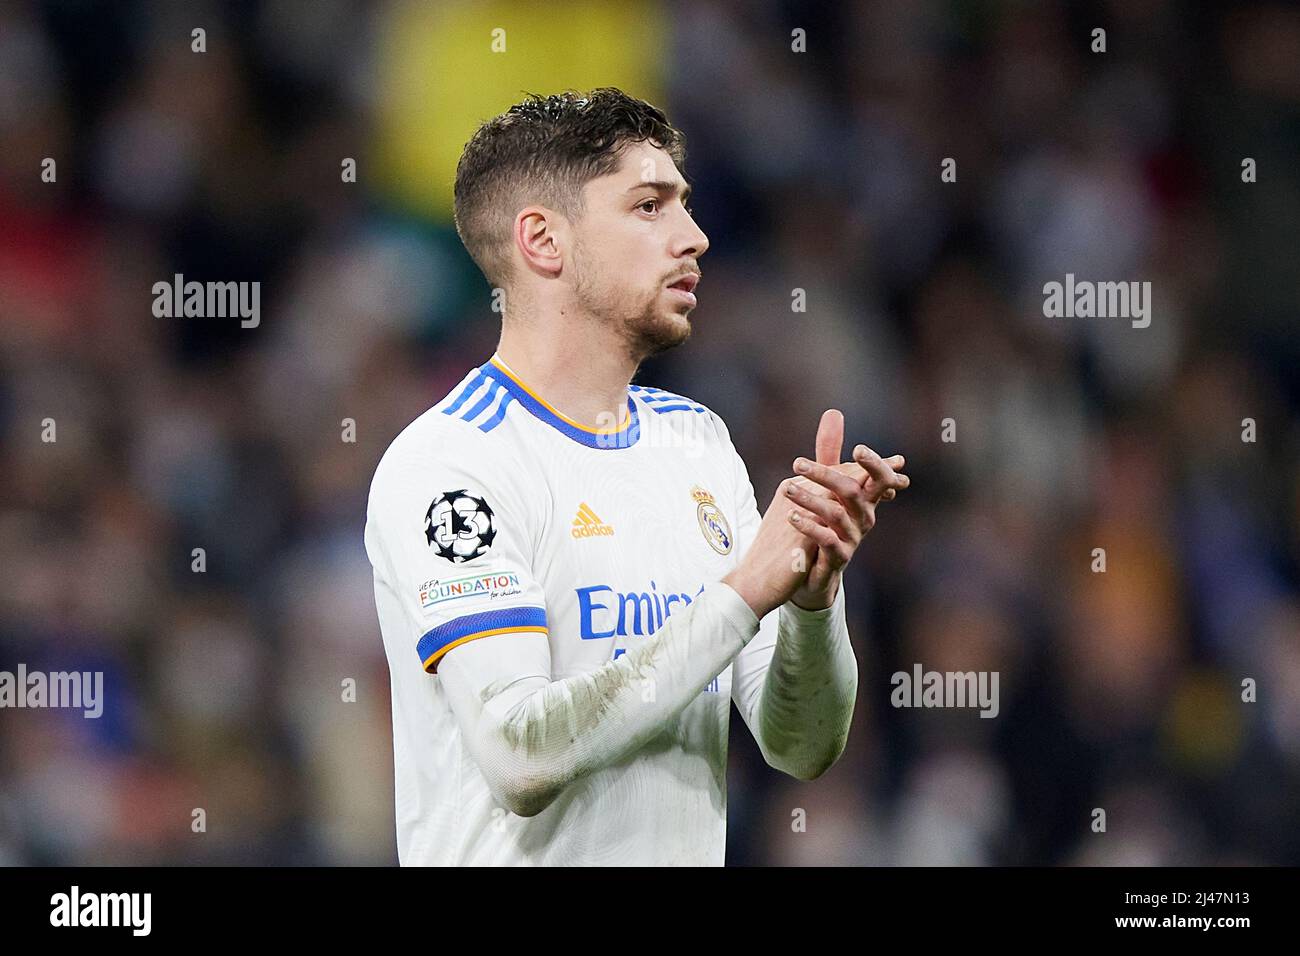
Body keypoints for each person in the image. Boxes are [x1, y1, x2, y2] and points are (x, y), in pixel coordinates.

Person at [364, 88, 909, 865]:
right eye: (649, 207)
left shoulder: (697, 444)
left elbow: (801, 747)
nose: (695, 237)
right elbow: (521, 754)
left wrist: (812, 604)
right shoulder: (452, 464)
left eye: (683, 205)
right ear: (544, 242)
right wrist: (746, 591)